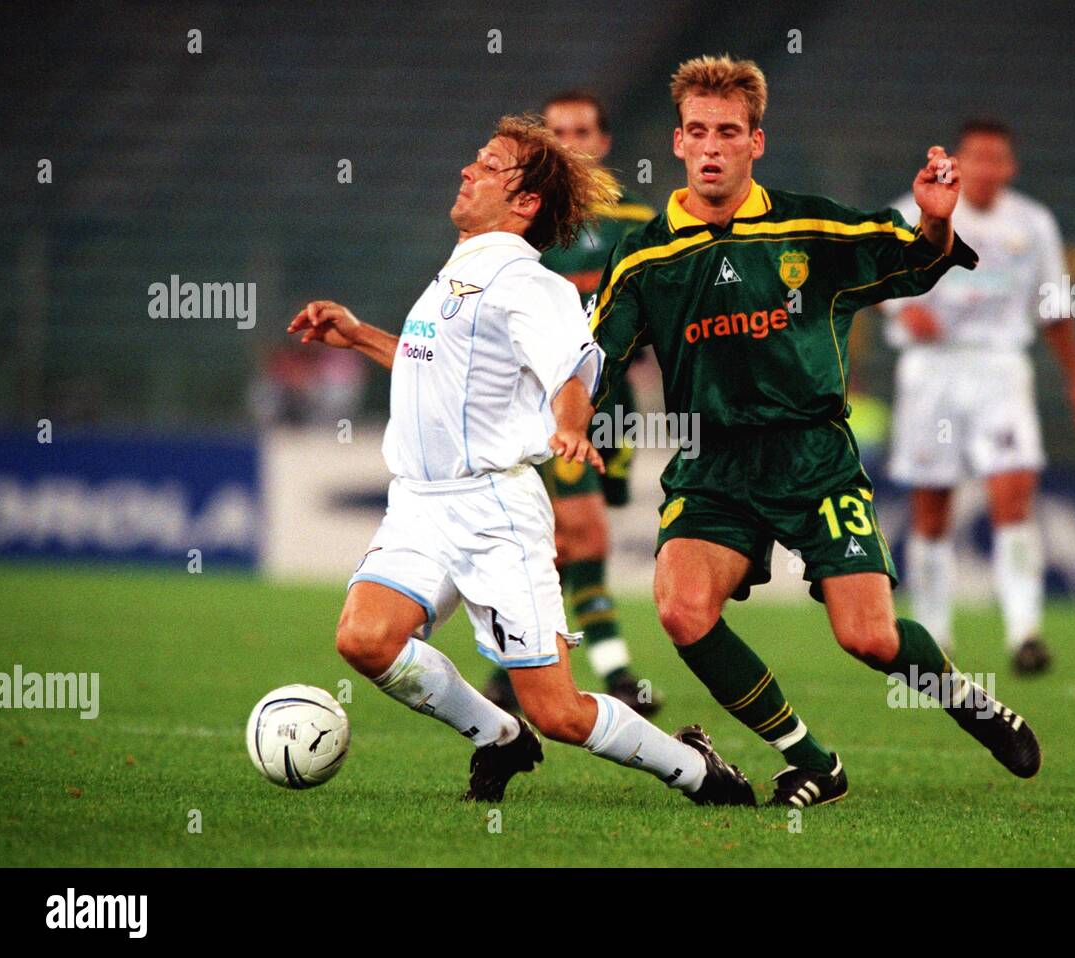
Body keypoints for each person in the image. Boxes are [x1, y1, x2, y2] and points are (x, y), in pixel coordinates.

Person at [590, 55, 1041, 809]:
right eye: (697, 131)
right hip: (714, 464)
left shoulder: (811, 227)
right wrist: (577, 426)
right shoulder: (643, 256)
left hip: (814, 458)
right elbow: (591, 358)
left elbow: (914, 261)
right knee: (680, 609)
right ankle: (815, 761)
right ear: (676, 143)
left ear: (754, 143)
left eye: (727, 132)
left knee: (868, 637)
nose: (711, 146)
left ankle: (970, 701)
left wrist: (934, 218)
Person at [287, 115, 754, 807]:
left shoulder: (529, 284)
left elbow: (574, 371)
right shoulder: (460, 271)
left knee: (560, 711)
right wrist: (359, 337)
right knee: (365, 639)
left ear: (525, 202)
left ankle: (696, 769)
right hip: (419, 504)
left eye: (487, 164)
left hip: (491, 512)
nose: (467, 171)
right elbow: (438, 364)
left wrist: (570, 428)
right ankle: (498, 736)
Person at [881, 119, 1075, 674]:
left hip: (1000, 368)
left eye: (996, 158)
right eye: (975, 156)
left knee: (1014, 496)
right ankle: (934, 636)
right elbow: (870, 278)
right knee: (932, 509)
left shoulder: (1033, 223)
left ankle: (1025, 632)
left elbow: (1054, 309)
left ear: (1010, 166)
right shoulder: (913, 207)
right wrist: (902, 306)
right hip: (930, 370)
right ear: (959, 159)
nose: (985, 167)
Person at [483, 90, 660, 716]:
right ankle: (617, 675)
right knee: (583, 533)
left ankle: (506, 665)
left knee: (572, 545)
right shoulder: (524, 226)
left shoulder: (639, 220)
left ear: (604, 141)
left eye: (581, 130)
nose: (570, 142)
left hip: (616, 408)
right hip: (548, 404)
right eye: (556, 132)